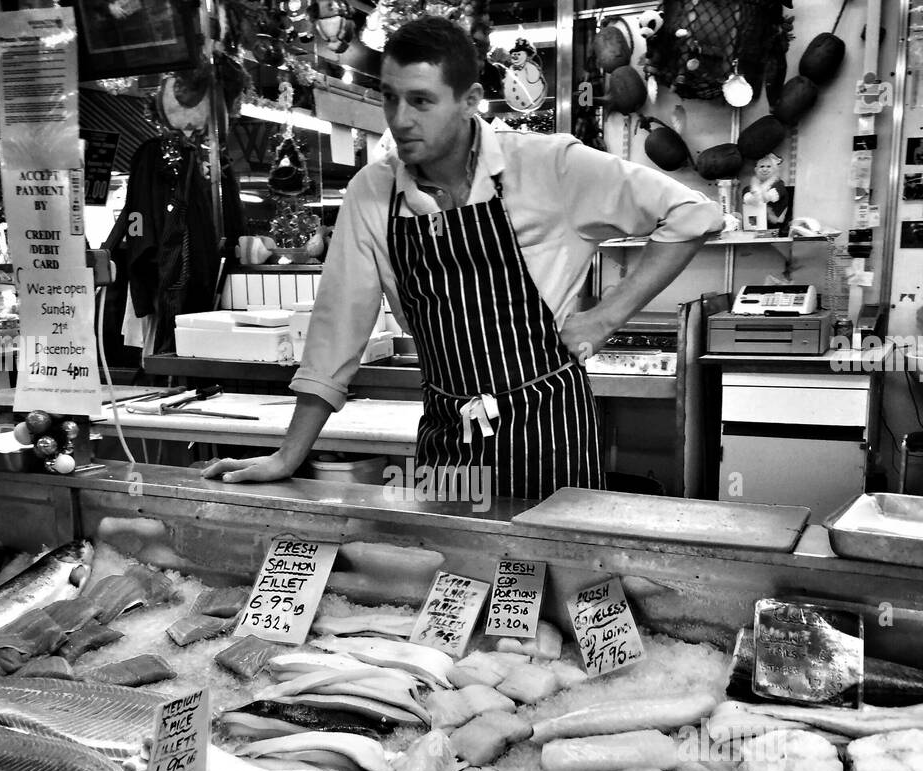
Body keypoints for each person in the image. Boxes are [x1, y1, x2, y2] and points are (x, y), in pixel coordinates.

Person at [203, 16, 722, 500]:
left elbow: (693, 215)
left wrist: (604, 316)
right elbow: (336, 329)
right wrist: (288, 454)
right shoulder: (372, 193)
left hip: (550, 425)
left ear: (470, 99)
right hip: (446, 430)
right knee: (450, 576)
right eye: (389, 98)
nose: (400, 120)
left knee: (549, 583)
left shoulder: (550, 166)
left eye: (421, 102)